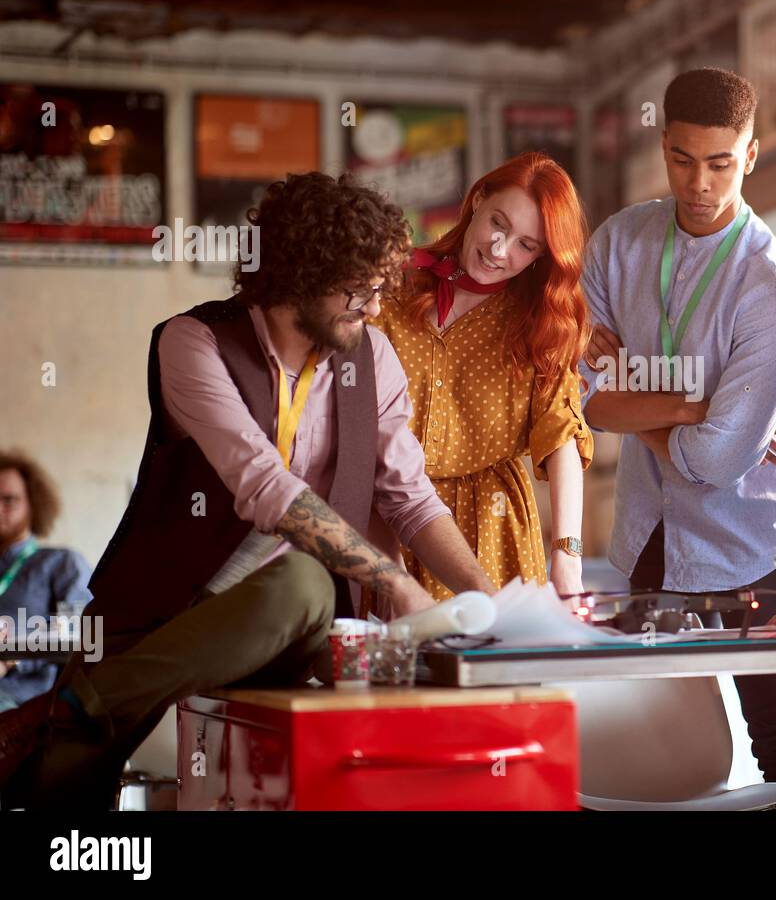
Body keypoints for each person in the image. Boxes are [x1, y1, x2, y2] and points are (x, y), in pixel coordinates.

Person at [0, 172, 494, 809]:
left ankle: (65, 709)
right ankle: (73, 716)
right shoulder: (193, 341)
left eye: (380, 288)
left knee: (306, 583)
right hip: (162, 620)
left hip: (294, 625)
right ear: (300, 274)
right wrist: (392, 579)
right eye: (360, 289)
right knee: (62, 807)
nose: (375, 307)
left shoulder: (372, 359)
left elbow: (410, 496)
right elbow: (265, 485)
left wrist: (489, 602)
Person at [579, 67, 776, 804]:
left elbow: (716, 463)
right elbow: (585, 406)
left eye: (720, 163)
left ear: (749, 156)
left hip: (748, 548)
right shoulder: (618, 242)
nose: (700, 183)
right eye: (683, 159)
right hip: (644, 542)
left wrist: (640, 401)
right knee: (645, 739)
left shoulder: (768, 285)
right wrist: (692, 405)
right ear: (663, 147)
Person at [367, 152, 592, 608]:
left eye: (527, 245)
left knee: (490, 671)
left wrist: (567, 557)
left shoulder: (539, 321)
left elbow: (561, 434)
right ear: (479, 199)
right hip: (382, 514)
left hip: (494, 531)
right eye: (498, 224)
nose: (500, 250)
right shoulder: (389, 287)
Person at [0, 451, 91, 712]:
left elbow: (82, 637)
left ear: (33, 504)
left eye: (9, 500)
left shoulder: (62, 563)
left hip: (21, 703)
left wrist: (9, 658)